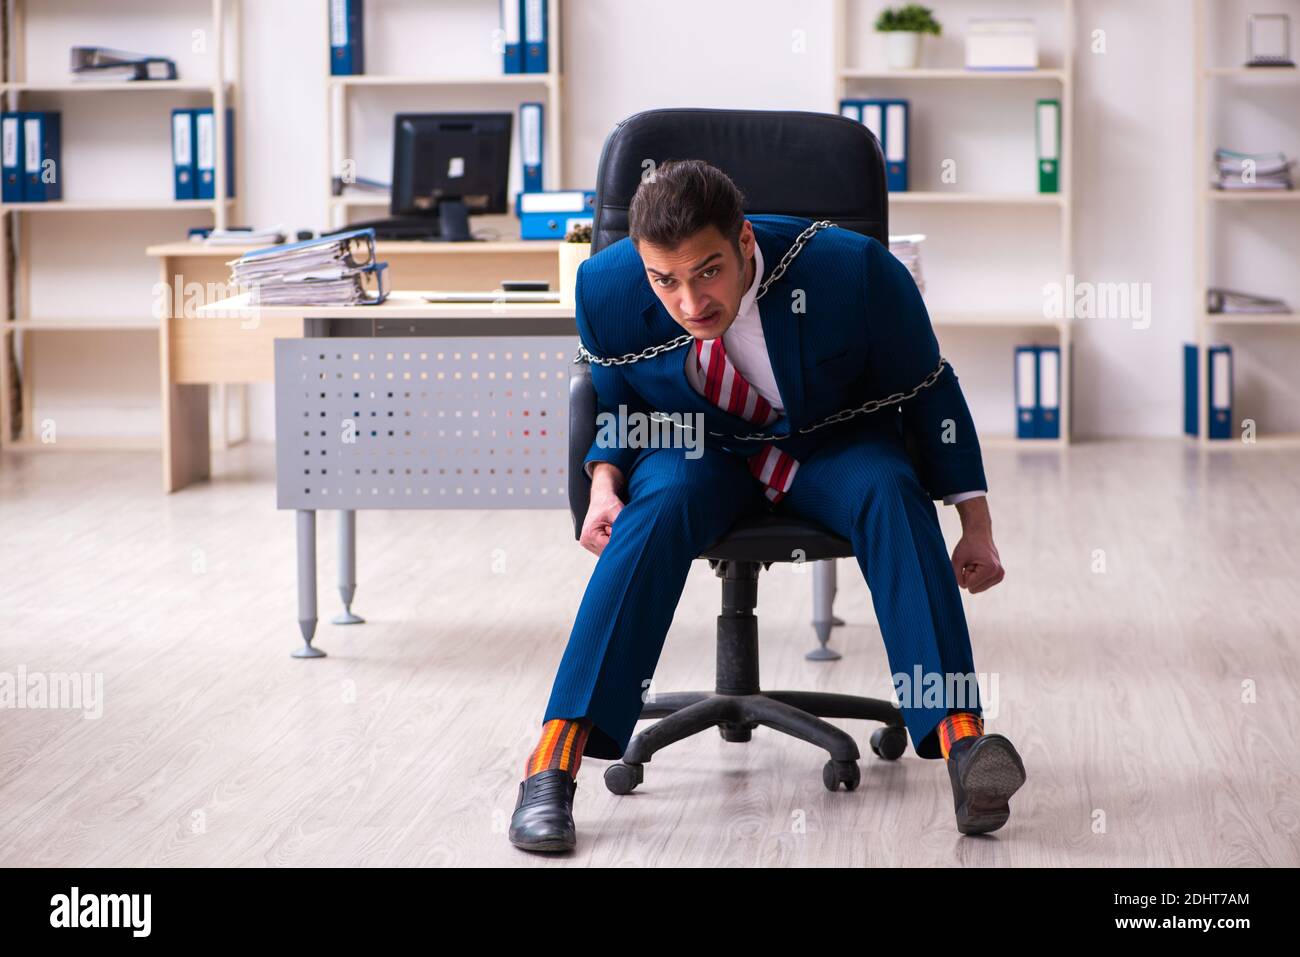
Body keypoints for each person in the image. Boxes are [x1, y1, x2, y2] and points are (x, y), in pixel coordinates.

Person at [509, 159, 1024, 852]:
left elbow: (931, 390)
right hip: (698, 447)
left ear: (745, 240)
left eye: (708, 271)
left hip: (828, 442)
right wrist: (604, 484)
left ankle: (964, 744)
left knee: (889, 489)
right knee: (652, 514)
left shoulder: (854, 272)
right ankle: (550, 763)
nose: (690, 302)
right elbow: (617, 401)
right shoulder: (606, 289)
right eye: (666, 280)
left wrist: (977, 525)